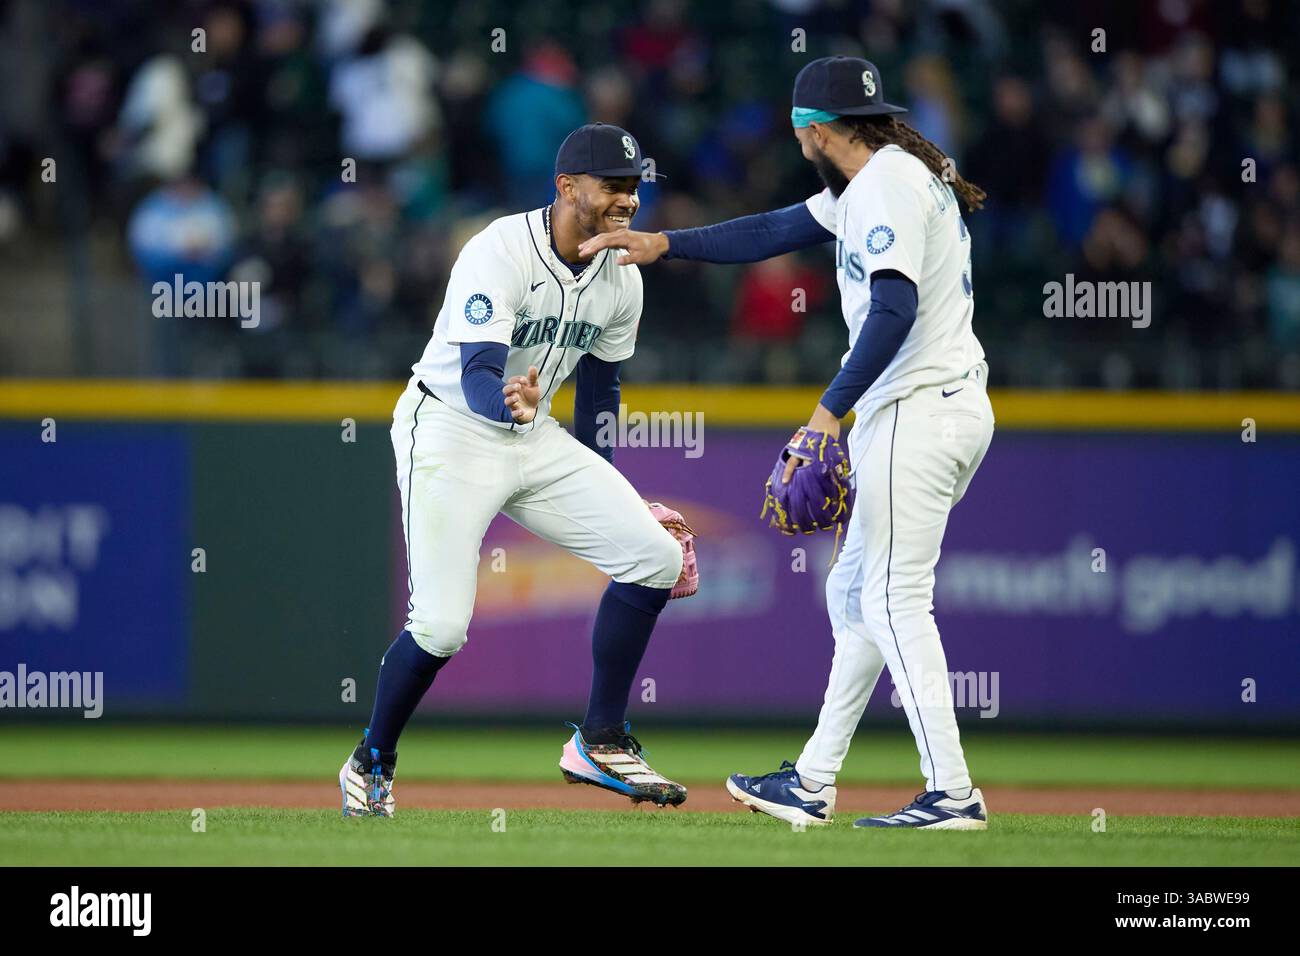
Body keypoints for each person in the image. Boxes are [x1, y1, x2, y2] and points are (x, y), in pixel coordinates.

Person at [578, 57, 995, 830]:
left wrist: (829, 413)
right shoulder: (879, 179)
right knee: (852, 594)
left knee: (894, 599)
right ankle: (811, 780)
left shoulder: (885, 185)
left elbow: (894, 308)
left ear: (811, 128)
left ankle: (952, 793)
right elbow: (776, 229)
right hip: (937, 405)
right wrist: (664, 244)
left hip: (915, 410)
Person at [340, 123, 693, 817]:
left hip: (536, 433)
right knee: (440, 628)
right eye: (613, 186)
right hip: (449, 426)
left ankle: (600, 740)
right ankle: (371, 759)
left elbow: (599, 398)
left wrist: (613, 496)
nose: (627, 199)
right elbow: (477, 377)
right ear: (567, 187)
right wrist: (512, 409)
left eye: (634, 187)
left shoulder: (622, 276)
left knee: (653, 556)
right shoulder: (498, 249)